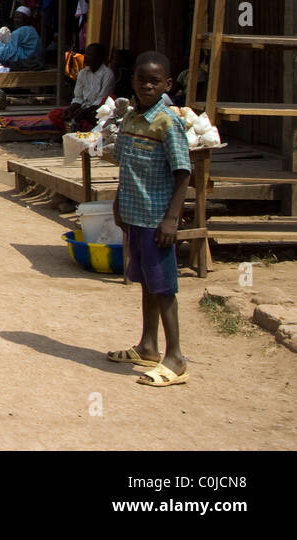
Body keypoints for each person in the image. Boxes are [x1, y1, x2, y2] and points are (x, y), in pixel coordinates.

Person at [105, 51, 192, 387]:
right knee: (146, 283)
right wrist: (117, 203)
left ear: (167, 84)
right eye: (142, 79)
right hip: (134, 214)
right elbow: (127, 167)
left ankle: (176, 357)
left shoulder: (167, 122)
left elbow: (183, 172)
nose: (147, 85)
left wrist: (172, 219)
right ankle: (148, 346)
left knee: (164, 288)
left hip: (157, 220)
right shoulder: (129, 117)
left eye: (155, 81)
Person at [48, 43, 115, 131]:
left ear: (99, 57)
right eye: (86, 54)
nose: (86, 57)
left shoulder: (107, 74)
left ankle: (80, 127)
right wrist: (71, 109)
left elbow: (102, 100)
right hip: (83, 108)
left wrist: (84, 112)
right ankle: (78, 127)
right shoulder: (83, 73)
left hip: (96, 111)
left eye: (90, 55)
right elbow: (78, 97)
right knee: (54, 114)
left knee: (101, 116)